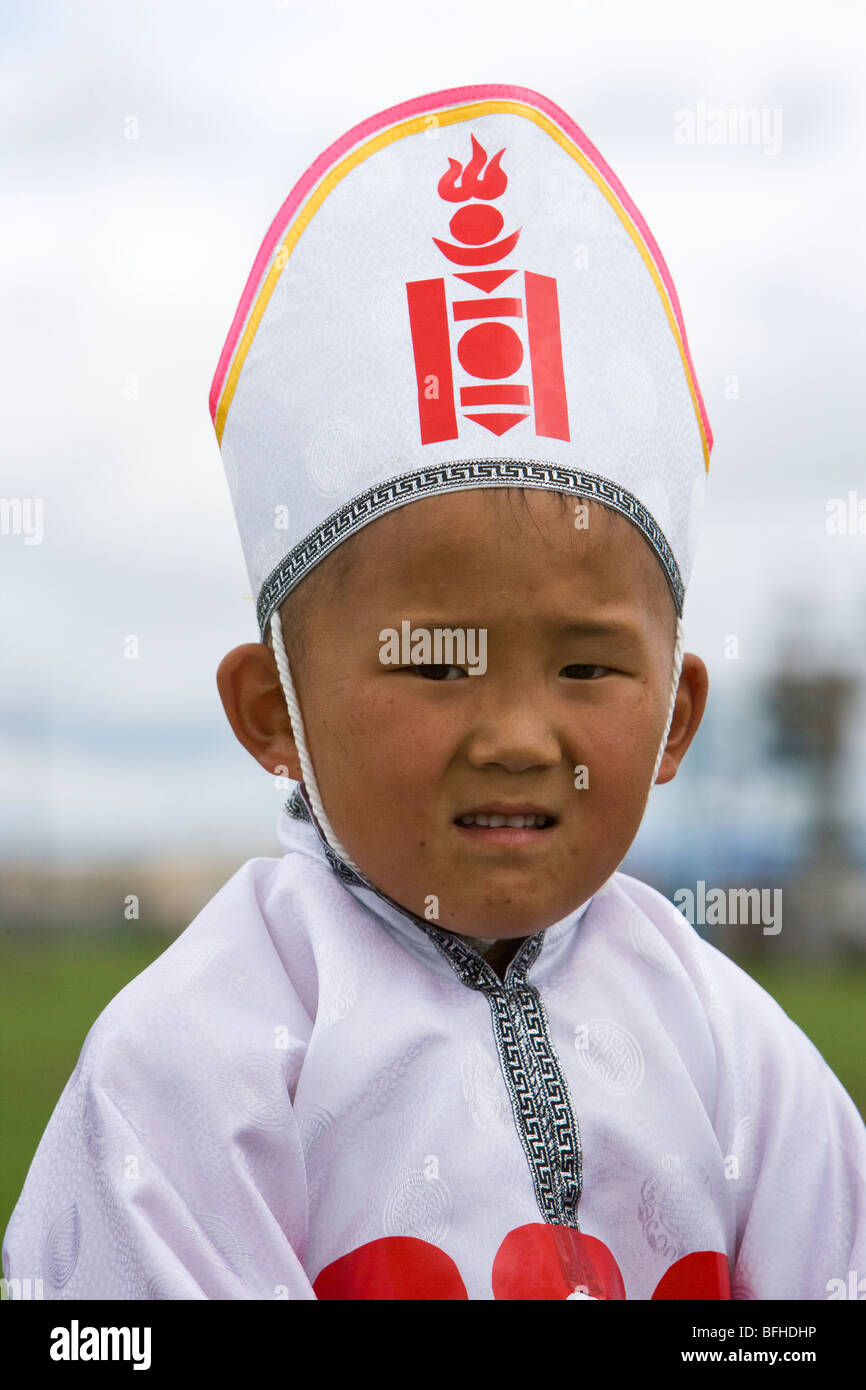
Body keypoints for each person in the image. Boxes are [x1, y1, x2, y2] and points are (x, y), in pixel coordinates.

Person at [3, 83, 864, 1301]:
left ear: (675, 715)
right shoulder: (186, 1070)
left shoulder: (737, 1055)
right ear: (272, 713)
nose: (517, 737)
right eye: (431, 658)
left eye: (585, 665)